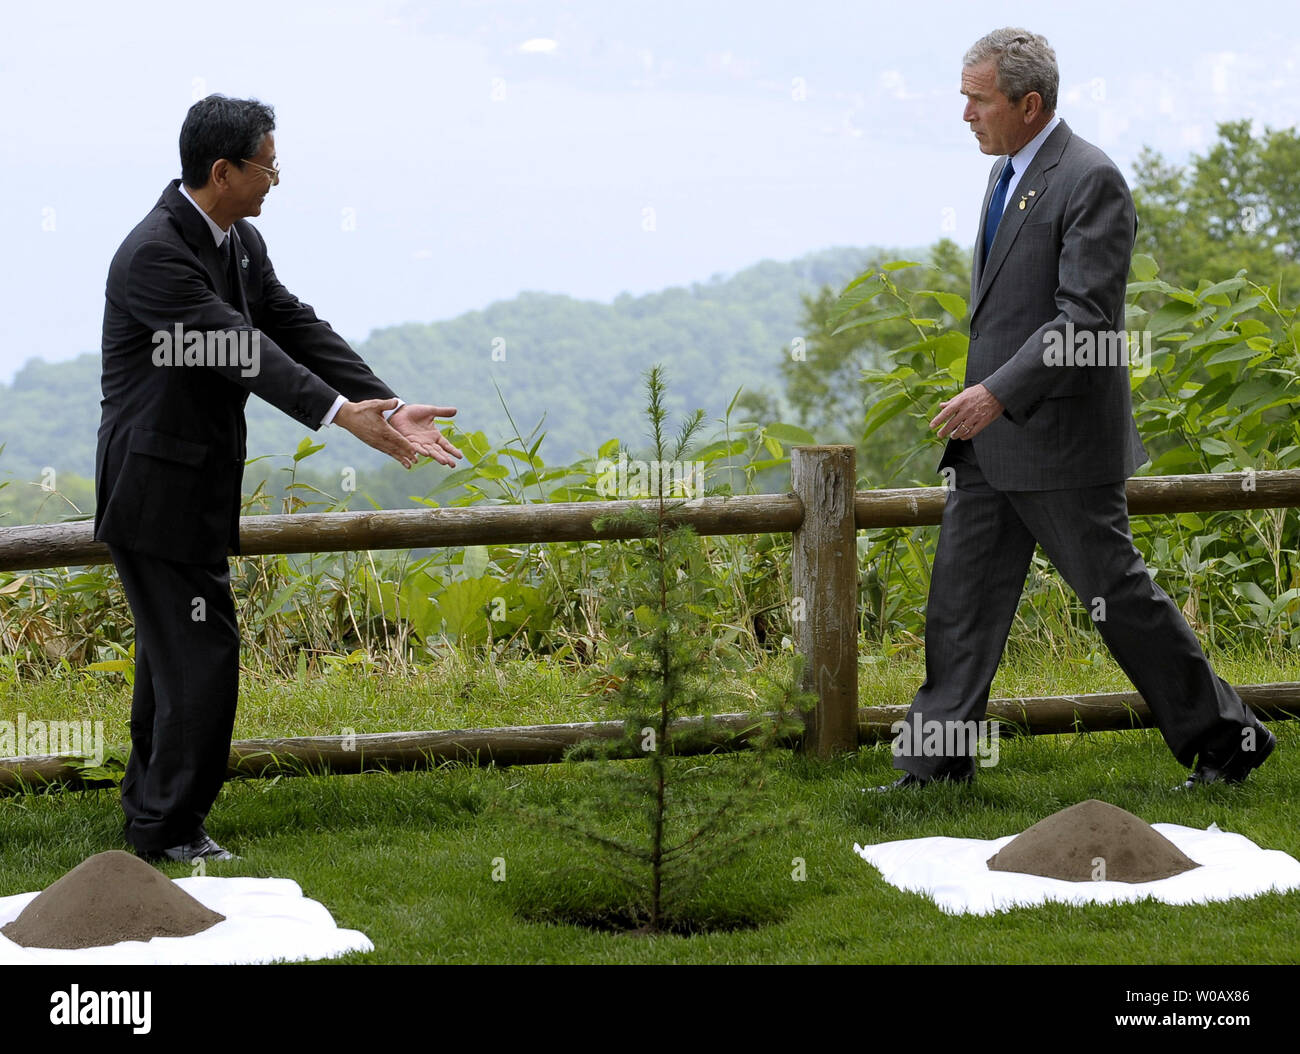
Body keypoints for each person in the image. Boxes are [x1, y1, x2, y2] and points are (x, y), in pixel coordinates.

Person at [874, 28, 1274, 791]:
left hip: (1059, 447)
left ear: (1029, 105)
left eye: (978, 99)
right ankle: (932, 770)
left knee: (1118, 604)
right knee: (959, 608)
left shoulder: (1091, 179)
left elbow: (1085, 322)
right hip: (990, 448)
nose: (965, 113)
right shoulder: (1004, 173)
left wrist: (996, 393)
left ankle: (1230, 742)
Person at [94, 95, 464, 861]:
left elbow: (290, 324)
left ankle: (153, 820)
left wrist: (384, 407)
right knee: (201, 659)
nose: (275, 180)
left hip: (193, 487)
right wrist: (337, 414)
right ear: (222, 170)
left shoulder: (240, 242)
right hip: (153, 491)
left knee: (173, 664)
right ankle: (172, 831)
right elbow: (237, 348)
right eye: (268, 166)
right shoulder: (155, 254)